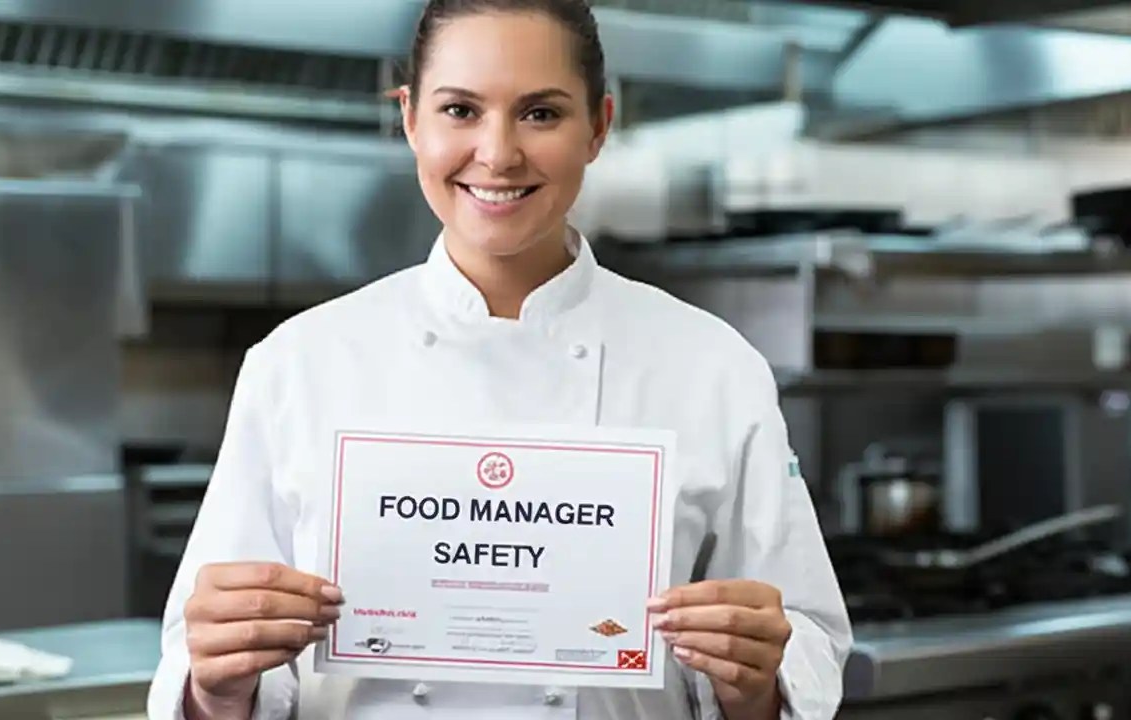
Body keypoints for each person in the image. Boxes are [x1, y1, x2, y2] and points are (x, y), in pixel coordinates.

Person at [146, 0, 852, 718]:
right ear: (410, 118)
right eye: (459, 110)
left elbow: (809, 644)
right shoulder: (297, 365)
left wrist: (758, 682)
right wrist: (217, 684)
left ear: (599, 126)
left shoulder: (712, 367)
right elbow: (206, 671)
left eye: (541, 114)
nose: (498, 153)